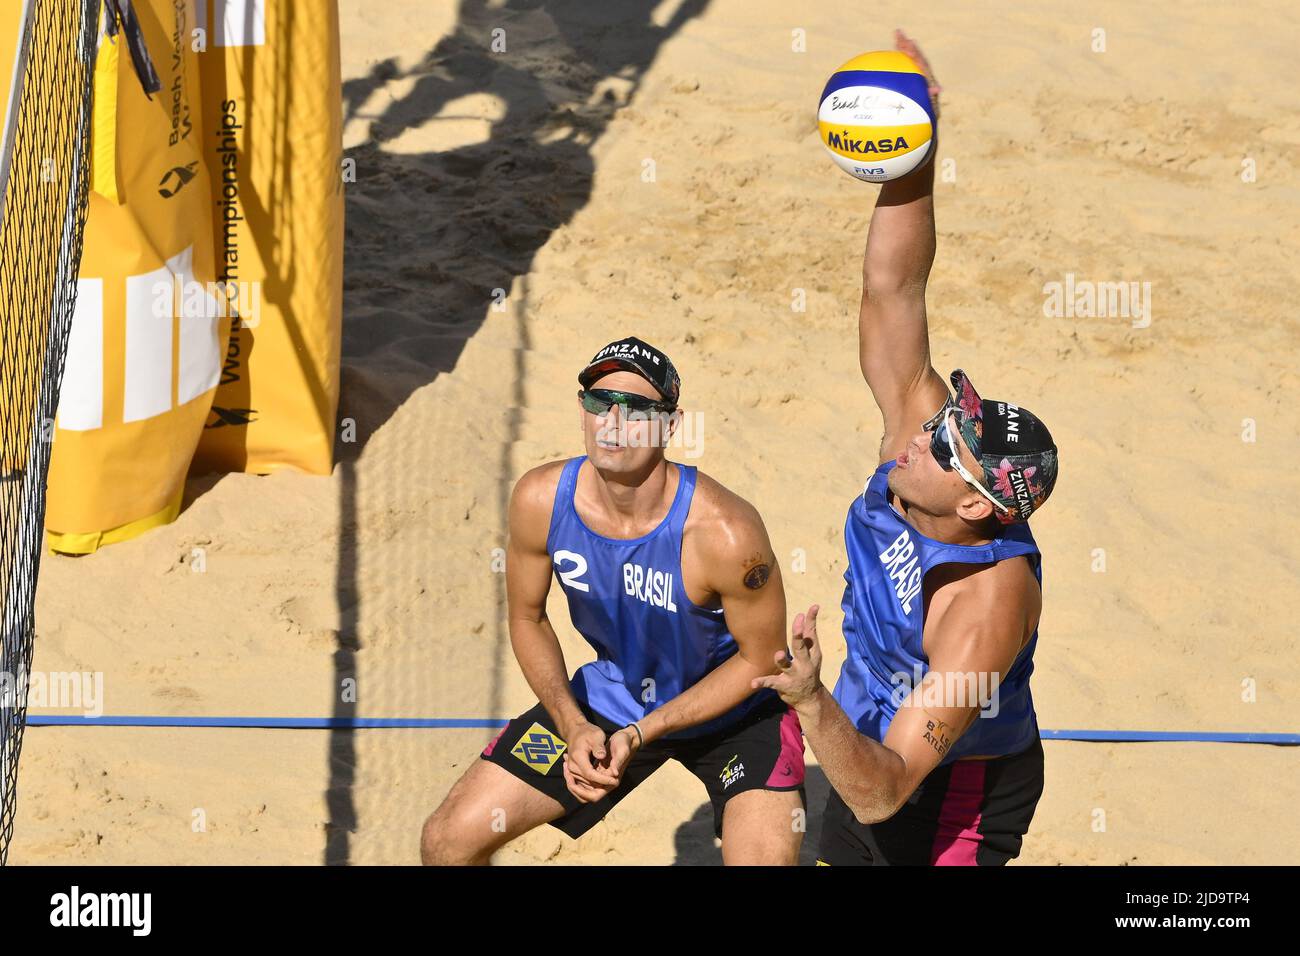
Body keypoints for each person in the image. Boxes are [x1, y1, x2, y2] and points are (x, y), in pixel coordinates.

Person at [756, 31, 1059, 866]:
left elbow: (886, 790)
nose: (921, 432)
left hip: (956, 788)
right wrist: (915, 143)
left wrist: (811, 702)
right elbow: (894, 288)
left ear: (974, 506)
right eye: (939, 423)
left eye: (944, 446)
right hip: (865, 737)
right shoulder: (916, 452)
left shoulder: (984, 612)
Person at [422, 336, 806, 865]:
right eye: (601, 402)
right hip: (615, 698)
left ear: (670, 425)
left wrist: (644, 732)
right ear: (583, 410)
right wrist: (572, 723)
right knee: (447, 842)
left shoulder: (726, 532)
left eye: (638, 408)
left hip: (736, 713)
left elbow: (762, 660)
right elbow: (528, 618)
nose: (615, 421)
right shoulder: (540, 500)